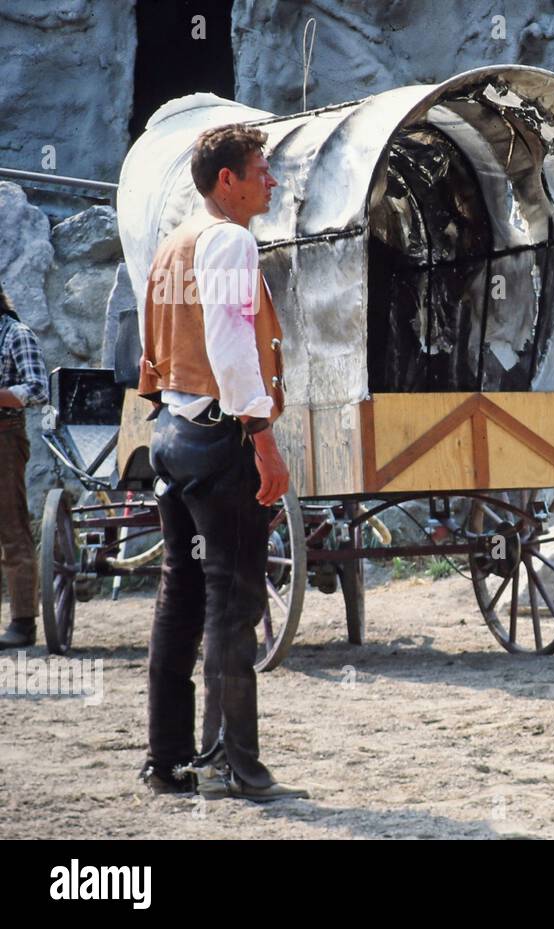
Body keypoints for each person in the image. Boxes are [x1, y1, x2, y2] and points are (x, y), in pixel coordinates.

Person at [136, 123, 307, 802]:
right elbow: (233, 342)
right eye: (261, 170)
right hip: (219, 437)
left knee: (179, 599)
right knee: (232, 606)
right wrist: (261, 435)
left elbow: (150, 344)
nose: (271, 180)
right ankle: (232, 765)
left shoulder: (171, 244)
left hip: (172, 437)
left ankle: (169, 761)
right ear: (227, 181)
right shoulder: (229, 240)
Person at [0, 283, 48, 649]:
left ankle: (23, 622)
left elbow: (37, 389)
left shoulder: (16, 334)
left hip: (4, 438)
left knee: (12, 528)